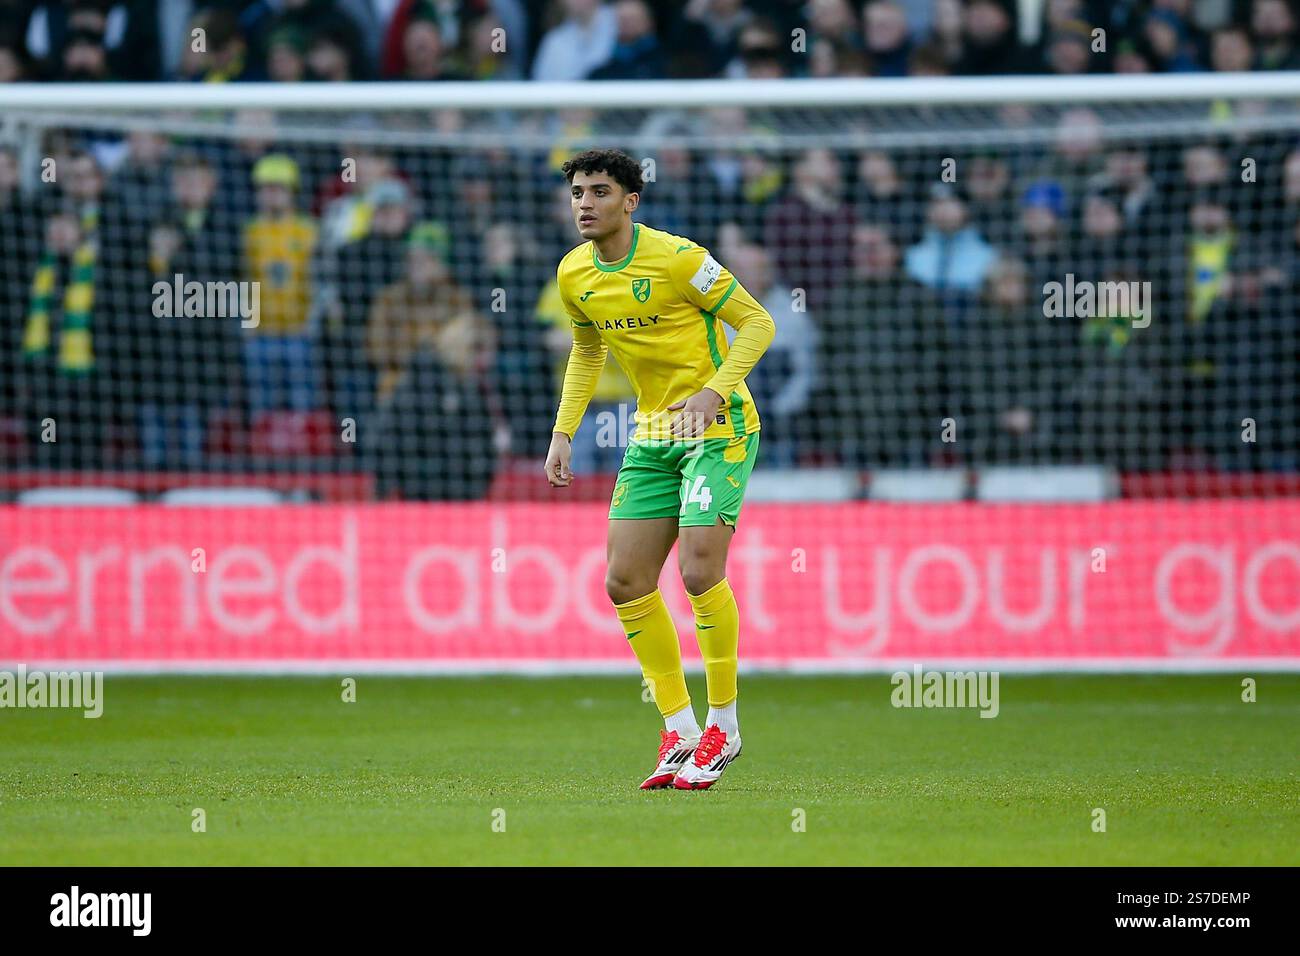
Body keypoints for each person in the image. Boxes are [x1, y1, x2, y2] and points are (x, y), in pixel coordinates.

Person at [544, 148, 775, 791]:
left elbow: (757, 322)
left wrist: (714, 392)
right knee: (624, 580)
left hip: (720, 428)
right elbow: (587, 350)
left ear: (630, 202)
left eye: (599, 191)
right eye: (576, 193)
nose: (584, 203)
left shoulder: (678, 259)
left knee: (700, 569)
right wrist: (563, 433)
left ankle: (722, 726)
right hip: (652, 434)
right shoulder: (574, 275)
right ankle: (678, 725)